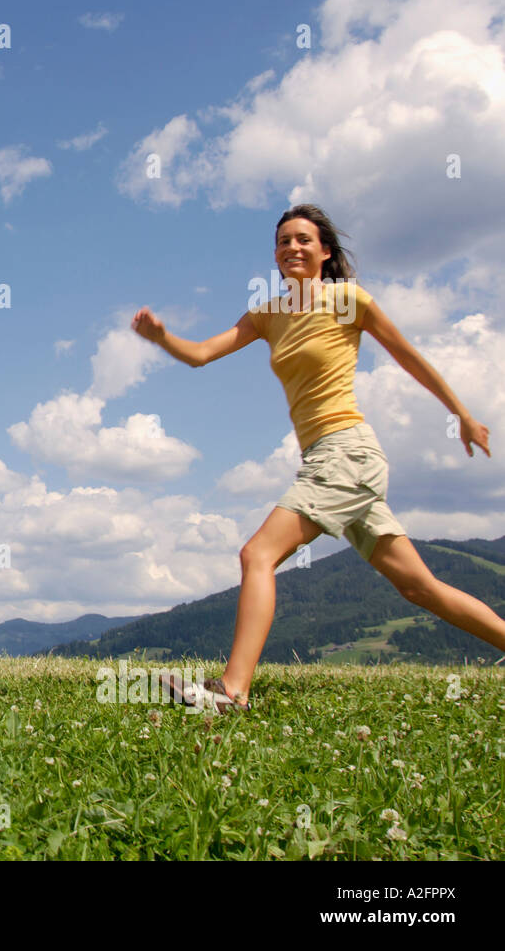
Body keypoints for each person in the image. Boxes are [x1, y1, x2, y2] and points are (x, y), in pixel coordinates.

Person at [132, 204, 502, 713]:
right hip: (326, 459)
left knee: (257, 554)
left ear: (325, 251)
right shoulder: (268, 313)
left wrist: (461, 412)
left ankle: (232, 693)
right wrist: (161, 337)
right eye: (283, 241)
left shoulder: (347, 301)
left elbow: (408, 355)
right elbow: (199, 354)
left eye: (304, 239)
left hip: (348, 452)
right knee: (421, 589)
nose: (293, 248)